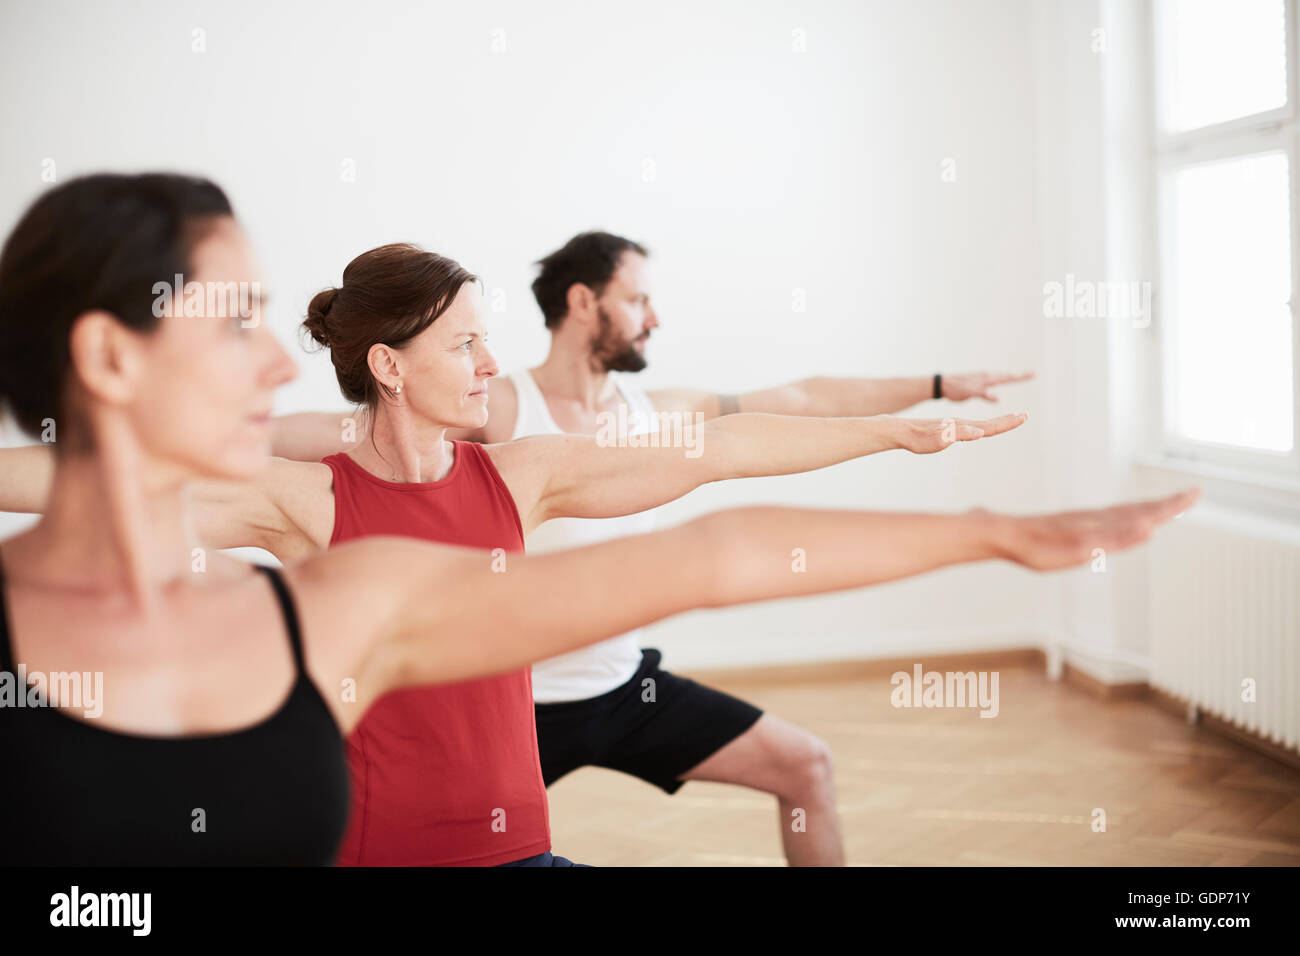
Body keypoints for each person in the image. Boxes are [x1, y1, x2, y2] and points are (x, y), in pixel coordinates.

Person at [0, 173, 1195, 867]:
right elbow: (70, 477)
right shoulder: (305, 499)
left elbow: (713, 486)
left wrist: (926, 452)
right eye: (459, 344)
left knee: (799, 762)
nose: (483, 363)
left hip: (520, 836)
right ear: (390, 362)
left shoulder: (515, 477)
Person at [269, 231, 1039, 865]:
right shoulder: (499, 408)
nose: (654, 318)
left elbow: (784, 409)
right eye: (637, 298)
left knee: (804, 762)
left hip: (618, 689)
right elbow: (321, 441)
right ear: (583, 302)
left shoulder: (651, 415)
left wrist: (931, 390)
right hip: (516, 701)